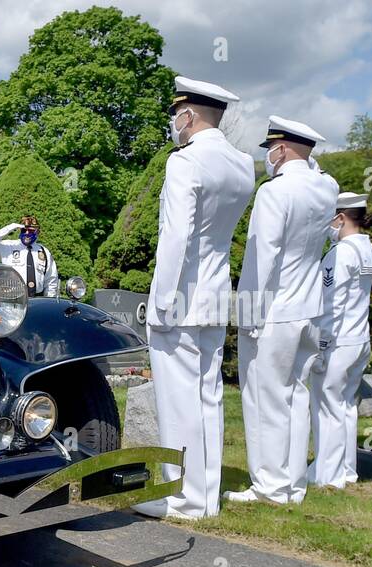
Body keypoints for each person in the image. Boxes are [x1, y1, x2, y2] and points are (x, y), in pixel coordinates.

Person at [133, 77, 254, 521]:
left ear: (187, 115)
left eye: (175, 114)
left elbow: (176, 235)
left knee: (179, 397)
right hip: (216, 293)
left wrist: (162, 298)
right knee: (208, 396)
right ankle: (204, 495)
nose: (173, 123)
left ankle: (183, 498)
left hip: (181, 295)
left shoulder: (185, 162)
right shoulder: (244, 164)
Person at [229, 116, 338, 506]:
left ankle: (270, 486)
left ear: (280, 148)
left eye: (270, 149)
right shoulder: (327, 187)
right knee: (294, 395)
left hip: (275, 309)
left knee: (265, 397)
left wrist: (249, 313)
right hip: (310, 307)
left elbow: (263, 258)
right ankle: (292, 485)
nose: (268, 157)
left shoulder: (275, 191)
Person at [307, 191, 372, 488]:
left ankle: (327, 475)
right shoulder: (368, 248)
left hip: (338, 340)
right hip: (359, 338)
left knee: (327, 408)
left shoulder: (340, 253)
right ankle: (347, 471)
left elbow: (330, 304)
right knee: (345, 407)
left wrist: (321, 345)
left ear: (340, 218)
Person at [0, 215, 58, 298]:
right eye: (24, 230)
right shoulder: (8, 246)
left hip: (37, 299)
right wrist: (9, 228)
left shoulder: (43, 251)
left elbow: (51, 279)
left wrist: (49, 300)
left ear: (37, 232)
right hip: (12, 299)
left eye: (31, 231)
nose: (27, 233)